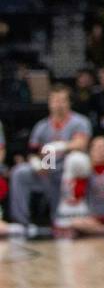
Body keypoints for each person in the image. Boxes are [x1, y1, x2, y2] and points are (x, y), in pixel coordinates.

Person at [7, 84, 92, 228]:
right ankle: (21, 223)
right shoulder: (42, 126)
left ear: (69, 102)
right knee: (20, 172)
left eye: (62, 100)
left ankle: (67, 219)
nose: (58, 104)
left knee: (76, 159)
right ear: (49, 103)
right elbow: (33, 151)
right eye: (55, 100)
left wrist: (60, 145)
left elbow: (81, 144)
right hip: (49, 166)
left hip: (69, 170)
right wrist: (36, 163)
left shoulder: (79, 122)